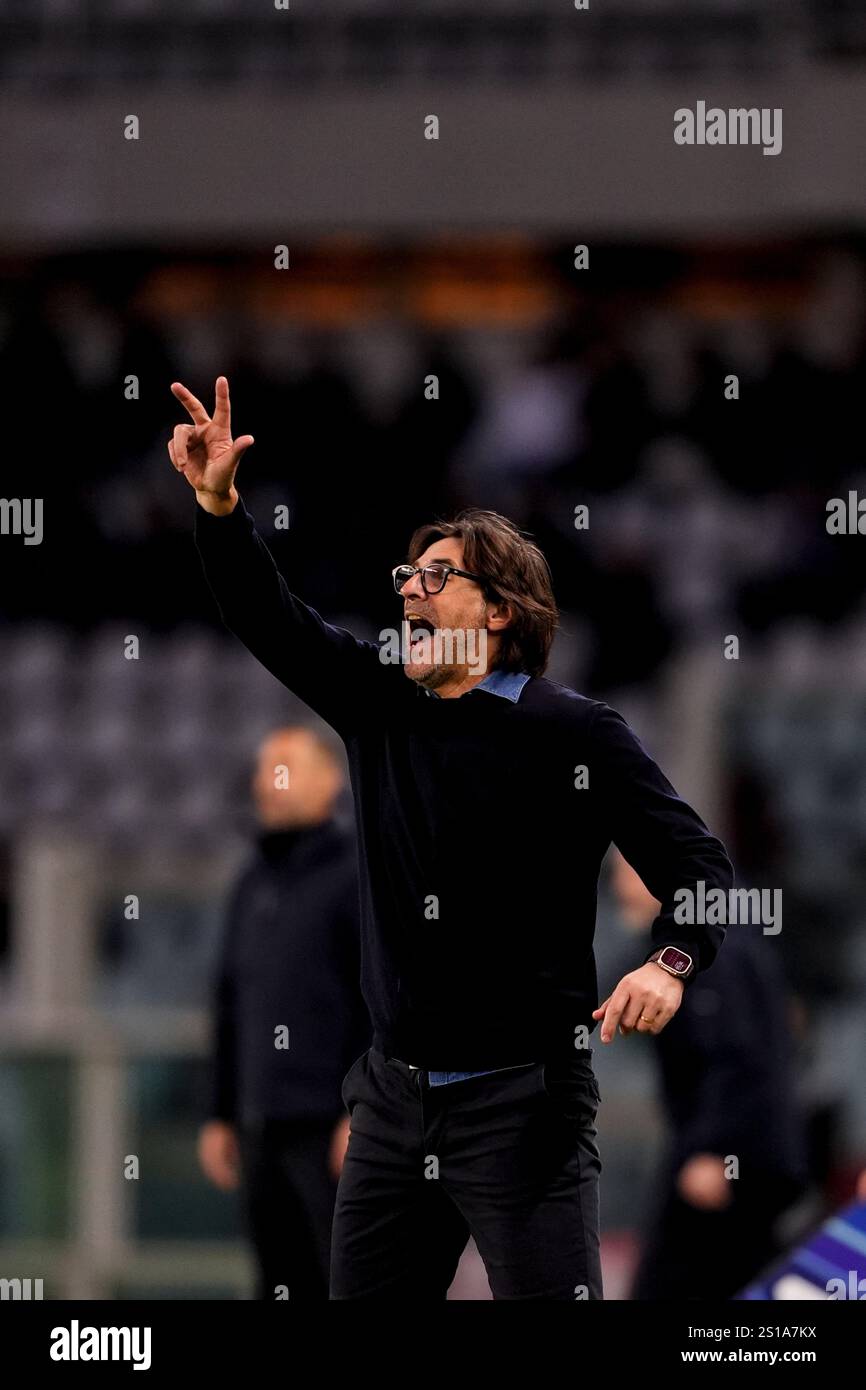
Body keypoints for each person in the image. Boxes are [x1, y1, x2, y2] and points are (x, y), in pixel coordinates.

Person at [170, 375, 734, 1301]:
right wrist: (219, 504)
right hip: (392, 1105)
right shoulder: (379, 703)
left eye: (439, 577)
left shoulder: (575, 733)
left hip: (525, 1106)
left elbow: (702, 871)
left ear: (502, 610)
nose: (411, 592)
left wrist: (669, 961)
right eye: (407, 578)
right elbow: (266, 617)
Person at [197, 724, 371, 1300]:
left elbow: (375, 1000)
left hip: (328, 1126)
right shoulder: (252, 878)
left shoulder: (356, 874)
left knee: (339, 1276)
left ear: (330, 781)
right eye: (263, 770)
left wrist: (362, 1110)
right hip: (259, 1122)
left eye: (286, 768)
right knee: (274, 1279)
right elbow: (229, 999)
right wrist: (222, 1111)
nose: (267, 783)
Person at [610, 851, 809, 1299]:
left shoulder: (712, 956)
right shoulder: (731, 941)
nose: (618, 885)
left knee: (668, 1283)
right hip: (748, 1155)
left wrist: (710, 1150)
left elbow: (737, 1058)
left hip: (726, 1158)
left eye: (627, 871)